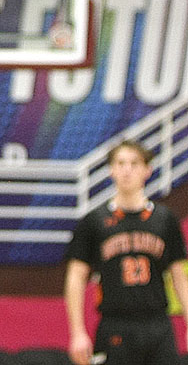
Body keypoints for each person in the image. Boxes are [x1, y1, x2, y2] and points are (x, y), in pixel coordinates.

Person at [64, 139, 188, 365]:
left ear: (147, 170)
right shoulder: (94, 221)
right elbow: (75, 277)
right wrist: (77, 332)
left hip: (158, 323)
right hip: (115, 323)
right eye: (120, 163)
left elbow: (179, 275)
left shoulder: (165, 219)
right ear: (111, 170)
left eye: (134, 163)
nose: (127, 170)